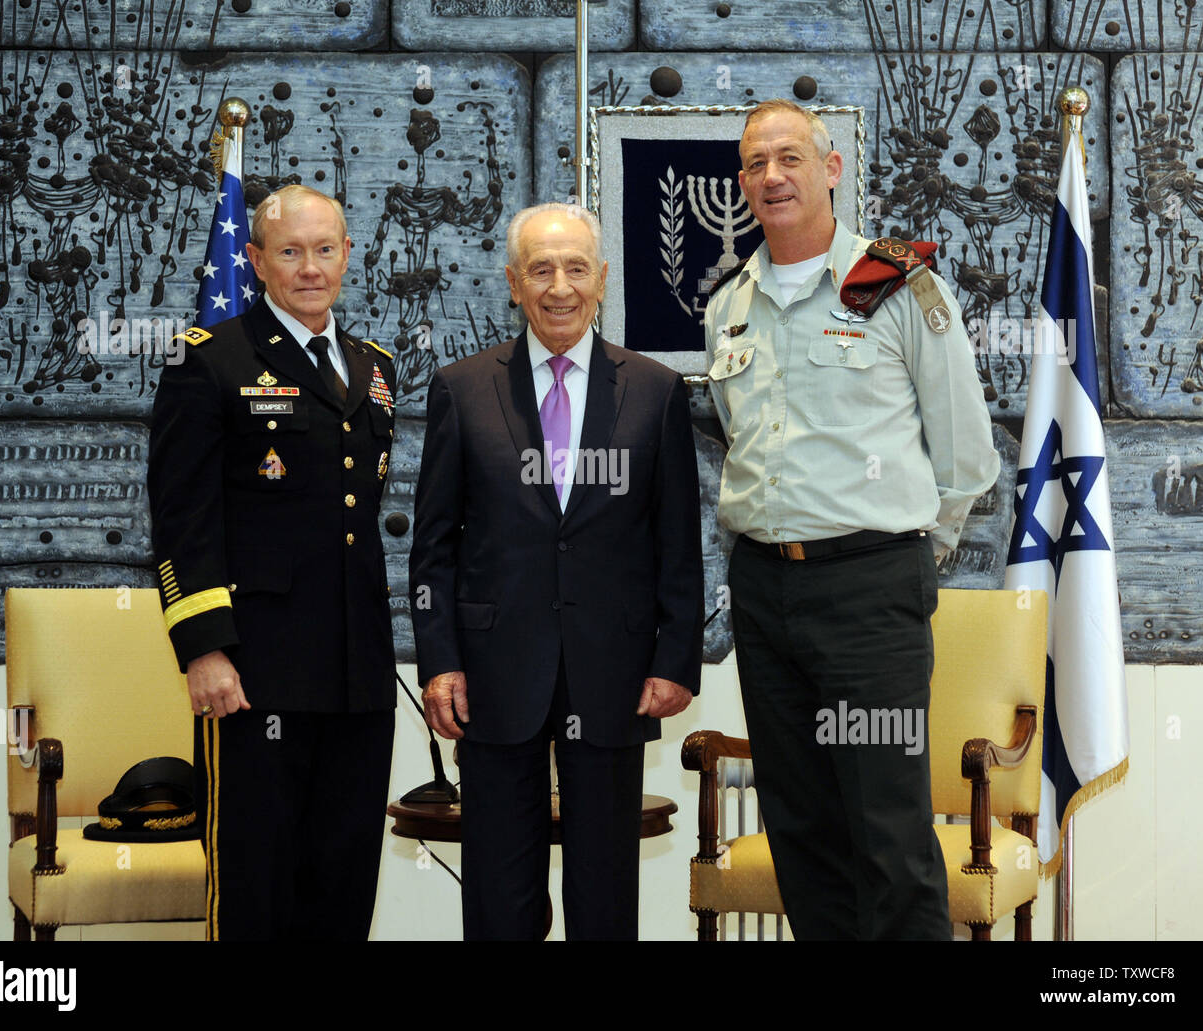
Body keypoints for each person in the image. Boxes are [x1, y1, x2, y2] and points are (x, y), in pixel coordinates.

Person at [704, 99, 1000, 940]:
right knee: (803, 835)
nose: (772, 176)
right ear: (743, 186)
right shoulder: (729, 305)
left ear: (832, 169)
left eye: (791, 157)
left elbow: (967, 454)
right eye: (756, 164)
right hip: (765, 592)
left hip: (871, 594)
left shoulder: (898, 285)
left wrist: (901, 555)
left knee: (888, 834)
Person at [409, 202, 705, 941]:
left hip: (614, 670)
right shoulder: (462, 387)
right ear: (513, 282)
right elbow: (434, 544)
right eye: (541, 269)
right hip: (493, 671)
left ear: (602, 278)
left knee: (604, 894)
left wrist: (677, 660)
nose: (560, 286)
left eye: (576, 267)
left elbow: (677, 543)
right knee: (499, 895)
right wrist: (440, 660)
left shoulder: (657, 390)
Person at [148, 184, 397, 940]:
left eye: (325, 249)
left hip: (357, 674)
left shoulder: (372, 366)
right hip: (256, 674)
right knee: (257, 887)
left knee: (343, 885)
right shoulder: (215, 363)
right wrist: (205, 650)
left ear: (348, 255)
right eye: (290, 252)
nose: (311, 267)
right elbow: (181, 519)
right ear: (255, 261)